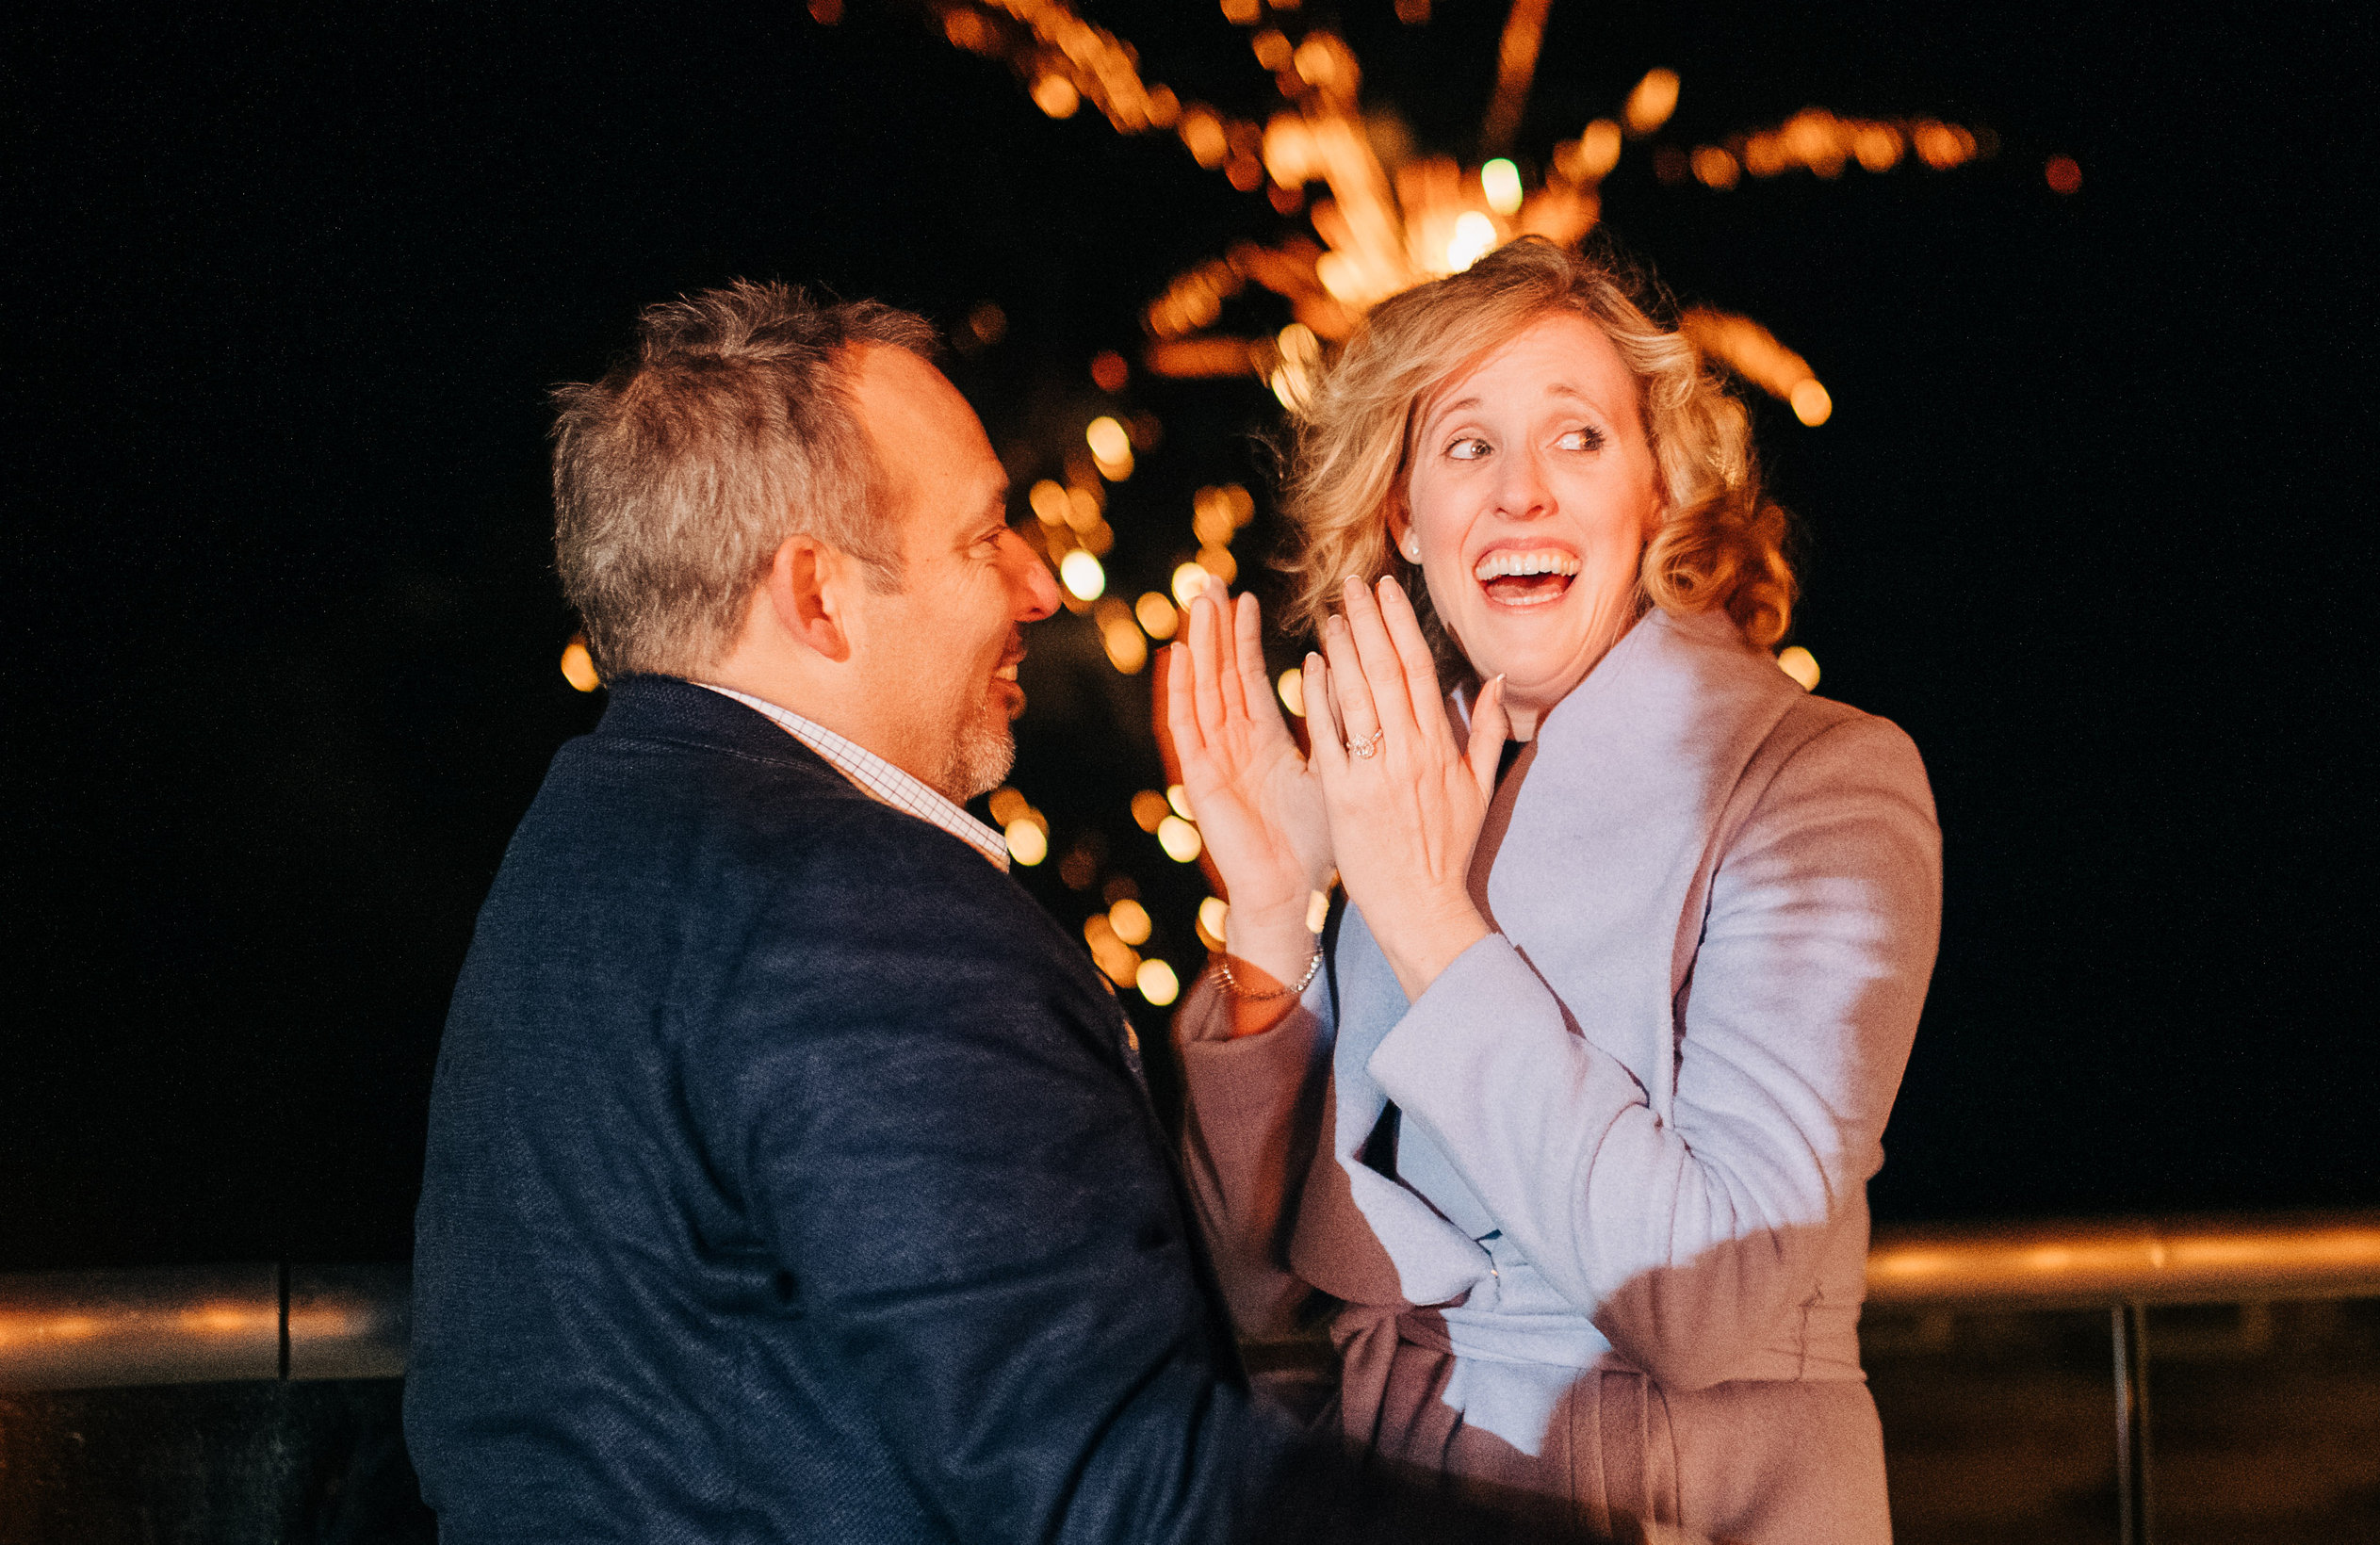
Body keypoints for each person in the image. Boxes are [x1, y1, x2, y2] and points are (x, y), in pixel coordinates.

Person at [407, 283, 1608, 1545]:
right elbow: (1116, 1493)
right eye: (985, 541)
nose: (1039, 588)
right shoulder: (862, 917)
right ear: (818, 597)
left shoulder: (587, 842)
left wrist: (1268, 915)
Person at [1164, 238, 1943, 1545]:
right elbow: (1249, 1293)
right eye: (1467, 445)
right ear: (1403, 514)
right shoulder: (1405, 781)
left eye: (1577, 439)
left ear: (1657, 490)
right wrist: (1271, 910)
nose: (1520, 492)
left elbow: (1705, 1303)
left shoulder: (1822, 780)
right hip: (1377, 1494)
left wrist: (1423, 916)